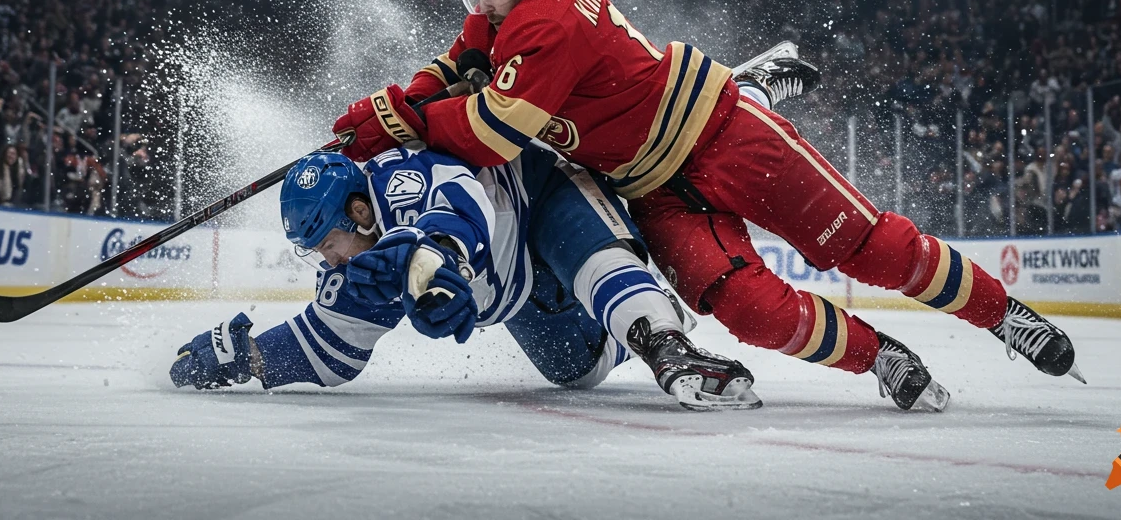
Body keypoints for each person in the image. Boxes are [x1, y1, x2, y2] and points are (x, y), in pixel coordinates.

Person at [332, 0, 1082, 411]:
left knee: (866, 249)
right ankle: (878, 355)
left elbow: (492, 131)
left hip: (721, 134)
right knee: (746, 309)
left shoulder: (547, 24)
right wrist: (405, 96)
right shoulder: (509, 9)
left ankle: (1003, 315)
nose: (478, 1)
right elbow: (462, 59)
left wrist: (393, 121)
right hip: (653, 183)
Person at [171, 145, 760, 411]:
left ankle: (667, 344)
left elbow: (459, 200)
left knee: (592, 261)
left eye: (326, 245)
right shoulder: (355, 260)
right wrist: (243, 355)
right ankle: (648, 314)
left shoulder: (400, 179)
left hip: (541, 194)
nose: (329, 262)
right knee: (575, 373)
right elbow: (327, 351)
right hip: (517, 290)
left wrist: (436, 260)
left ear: (356, 211)